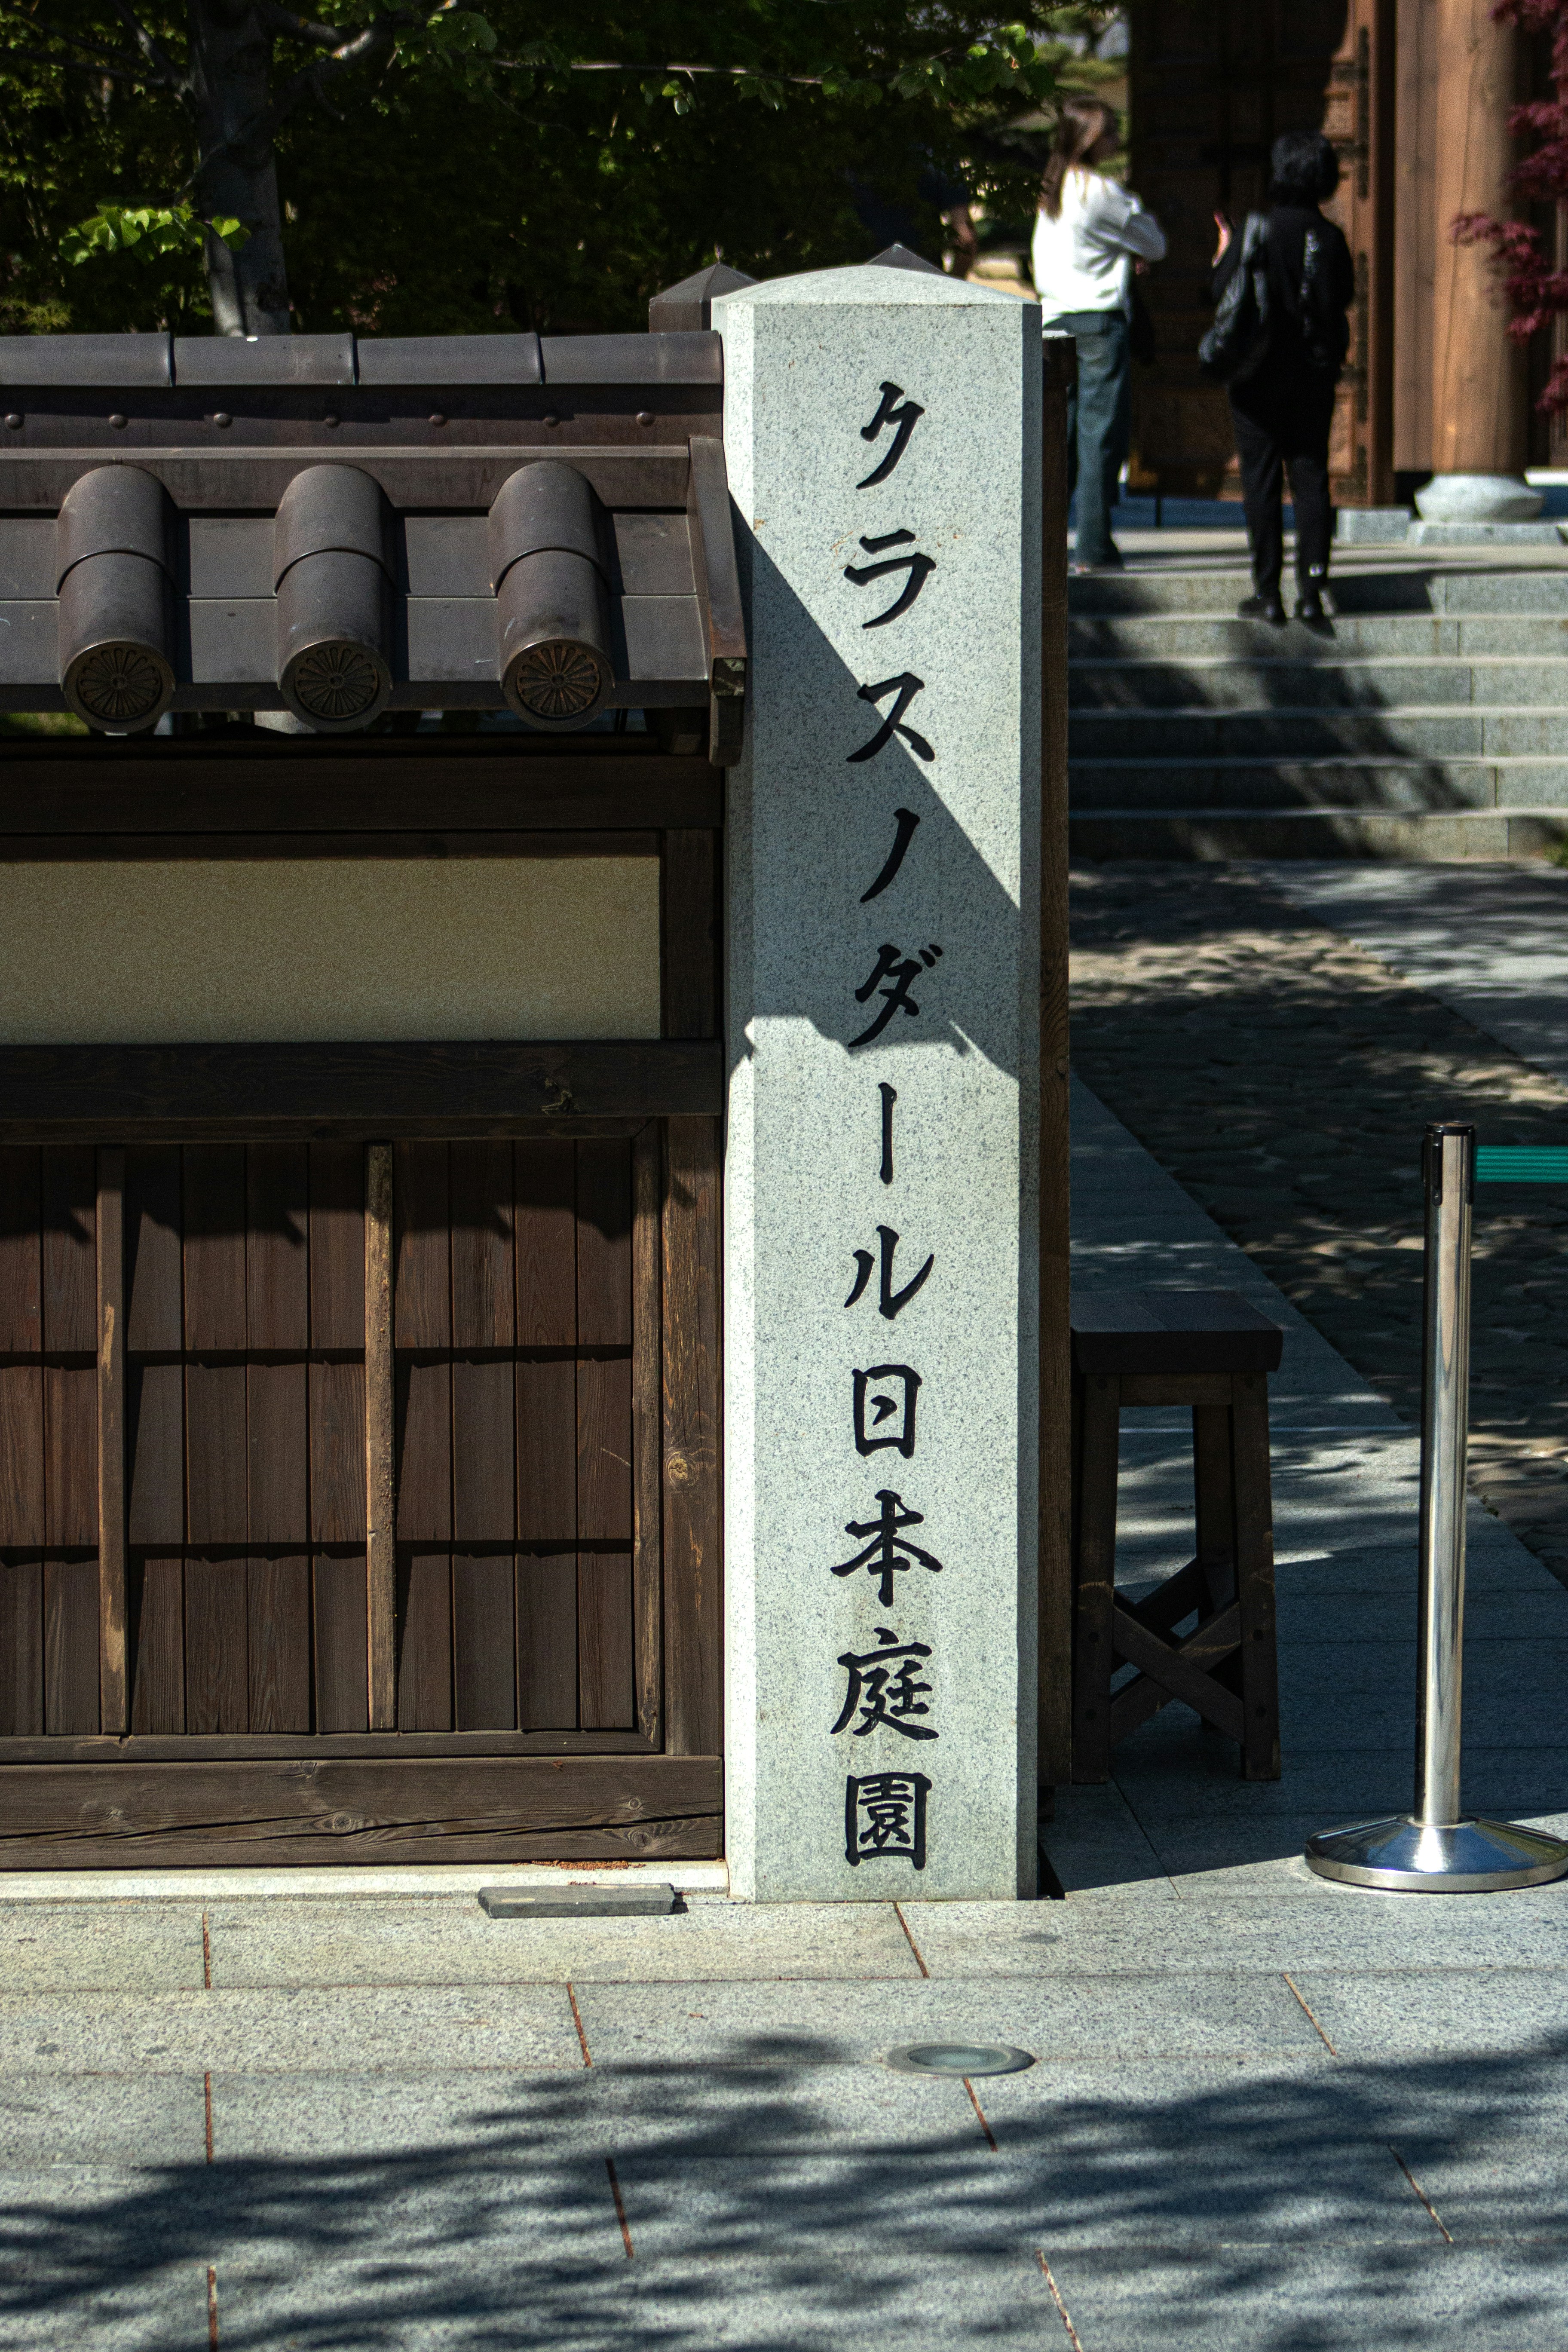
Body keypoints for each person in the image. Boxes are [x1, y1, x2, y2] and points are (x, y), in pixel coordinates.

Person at [1211, 130, 1355, 625]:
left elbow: (1220, 291)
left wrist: (1224, 252)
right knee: (1311, 477)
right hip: (1313, 372)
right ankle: (1313, 589)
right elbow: (1343, 299)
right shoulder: (1331, 237)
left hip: (1257, 374)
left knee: (1262, 481)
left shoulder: (1257, 229)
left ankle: (1267, 592)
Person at [1032, 94, 1166, 573]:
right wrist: (1127, 251)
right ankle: (1092, 545)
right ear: (1090, 139)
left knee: (1058, 436)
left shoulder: (1050, 187)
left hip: (1052, 319)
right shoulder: (1101, 193)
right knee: (1099, 434)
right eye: (1109, 131)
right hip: (1097, 319)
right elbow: (1156, 242)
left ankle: (1045, 543)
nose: (1116, 140)